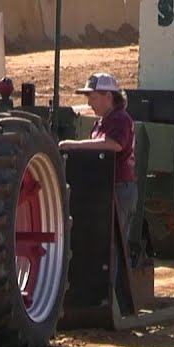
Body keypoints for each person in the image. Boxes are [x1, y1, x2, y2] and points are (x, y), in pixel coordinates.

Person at [59, 72, 138, 258]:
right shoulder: (104, 121)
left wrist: (74, 145)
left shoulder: (120, 119)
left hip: (119, 187)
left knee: (112, 247)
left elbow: (115, 144)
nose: (89, 104)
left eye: (93, 98)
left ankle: (113, 286)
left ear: (108, 97)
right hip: (109, 186)